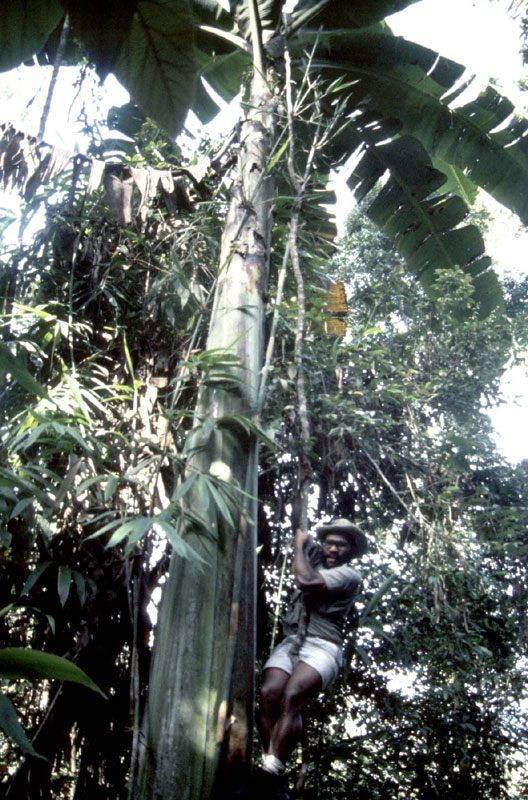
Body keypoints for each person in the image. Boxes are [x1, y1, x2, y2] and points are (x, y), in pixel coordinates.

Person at [257, 517, 368, 793]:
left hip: (323, 645)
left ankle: (272, 771)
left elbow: (306, 580)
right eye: (329, 543)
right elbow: (307, 543)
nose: (332, 550)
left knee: (293, 695)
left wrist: (298, 547)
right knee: (270, 693)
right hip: (292, 640)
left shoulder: (348, 575)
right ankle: (268, 761)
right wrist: (303, 539)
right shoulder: (317, 557)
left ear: (351, 551)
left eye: (340, 546)